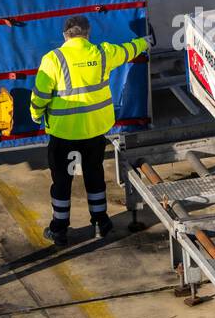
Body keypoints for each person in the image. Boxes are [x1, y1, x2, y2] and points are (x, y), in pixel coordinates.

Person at [30, 15, 147, 245]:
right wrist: (145, 42)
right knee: (95, 177)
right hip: (94, 132)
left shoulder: (53, 59)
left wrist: (36, 115)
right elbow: (127, 51)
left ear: (65, 35)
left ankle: (59, 229)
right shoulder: (102, 54)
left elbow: (40, 95)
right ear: (87, 33)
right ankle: (101, 222)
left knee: (62, 182)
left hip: (63, 134)